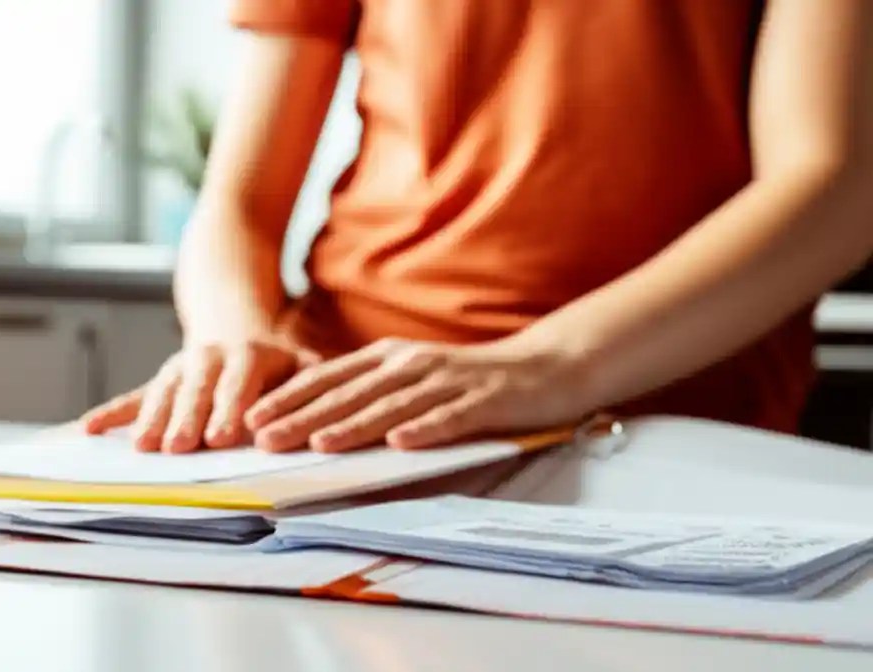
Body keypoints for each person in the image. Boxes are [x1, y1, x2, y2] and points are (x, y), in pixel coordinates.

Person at [83, 0, 873, 455]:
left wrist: (543, 367)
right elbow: (239, 203)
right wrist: (234, 340)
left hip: (655, 418)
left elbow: (832, 188)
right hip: (337, 407)